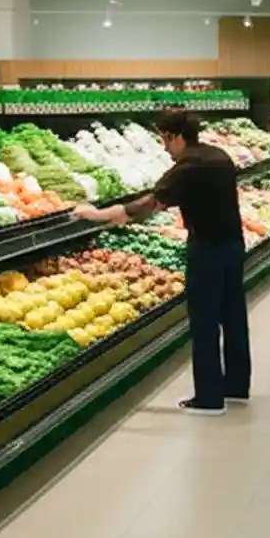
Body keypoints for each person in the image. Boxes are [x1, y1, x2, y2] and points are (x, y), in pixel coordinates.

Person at [74, 110, 248, 416]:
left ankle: (209, 398)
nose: (164, 148)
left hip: (206, 247)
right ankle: (235, 385)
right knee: (233, 315)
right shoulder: (219, 156)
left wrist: (95, 214)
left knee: (205, 320)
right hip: (233, 244)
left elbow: (147, 206)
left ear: (176, 136)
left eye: (165, 140)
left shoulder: (188, 166)